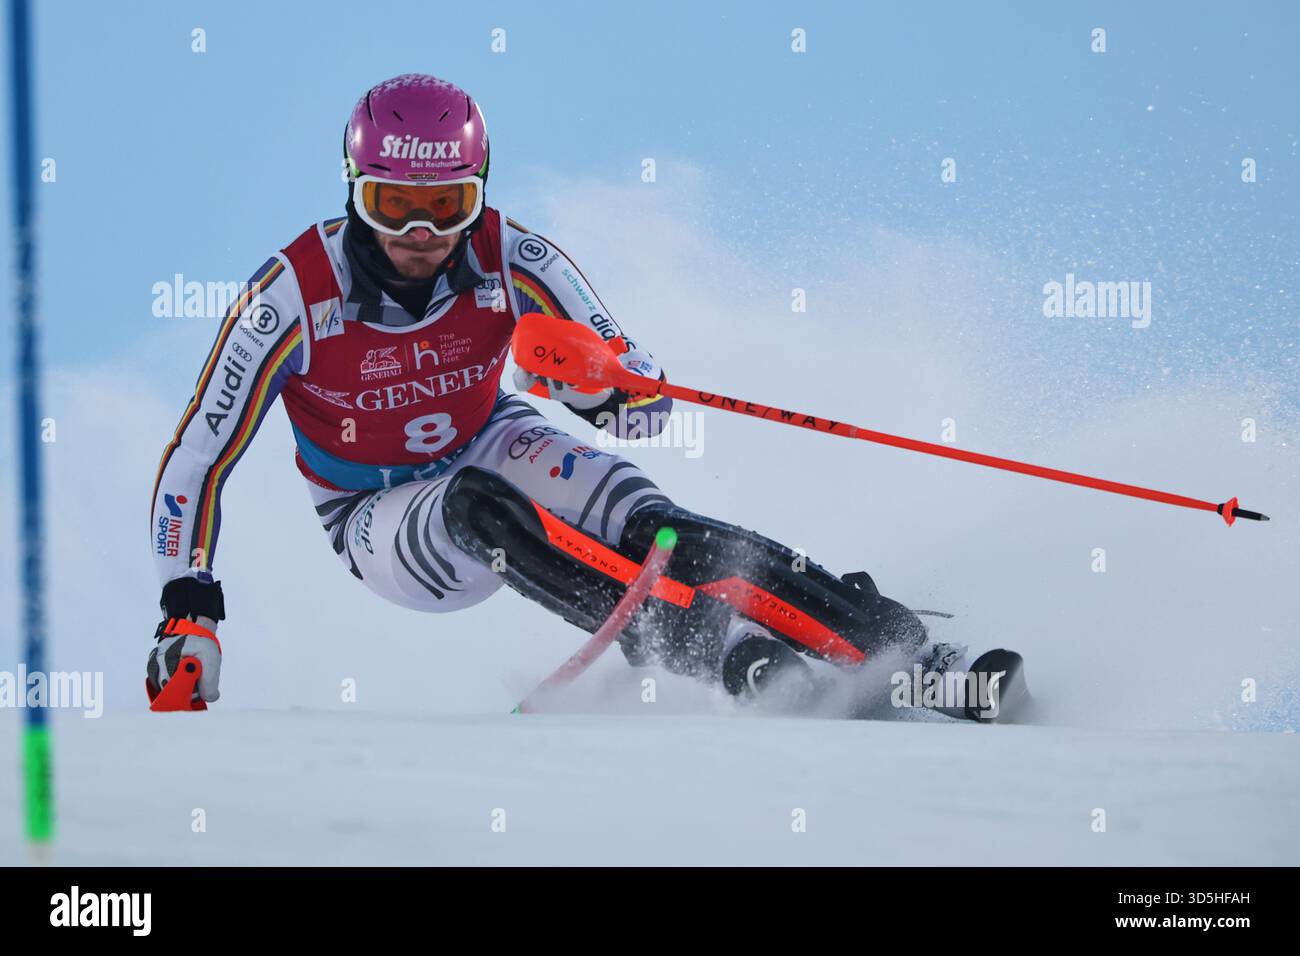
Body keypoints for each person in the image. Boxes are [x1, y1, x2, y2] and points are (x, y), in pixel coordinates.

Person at [147, 73, 1007, 718]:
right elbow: (198, 457)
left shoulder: (513, 256)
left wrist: (605, 391)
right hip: (375, 511)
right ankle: (716, 650)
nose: (419, 235)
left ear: (477, 192)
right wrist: (188, 612)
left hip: (488, 433)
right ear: (352, 190)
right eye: (393, 205)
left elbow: (641, 387)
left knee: (659, 527)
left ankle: (908, 651)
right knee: (477, 505)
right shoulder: (292, 297)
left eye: (444, 205)